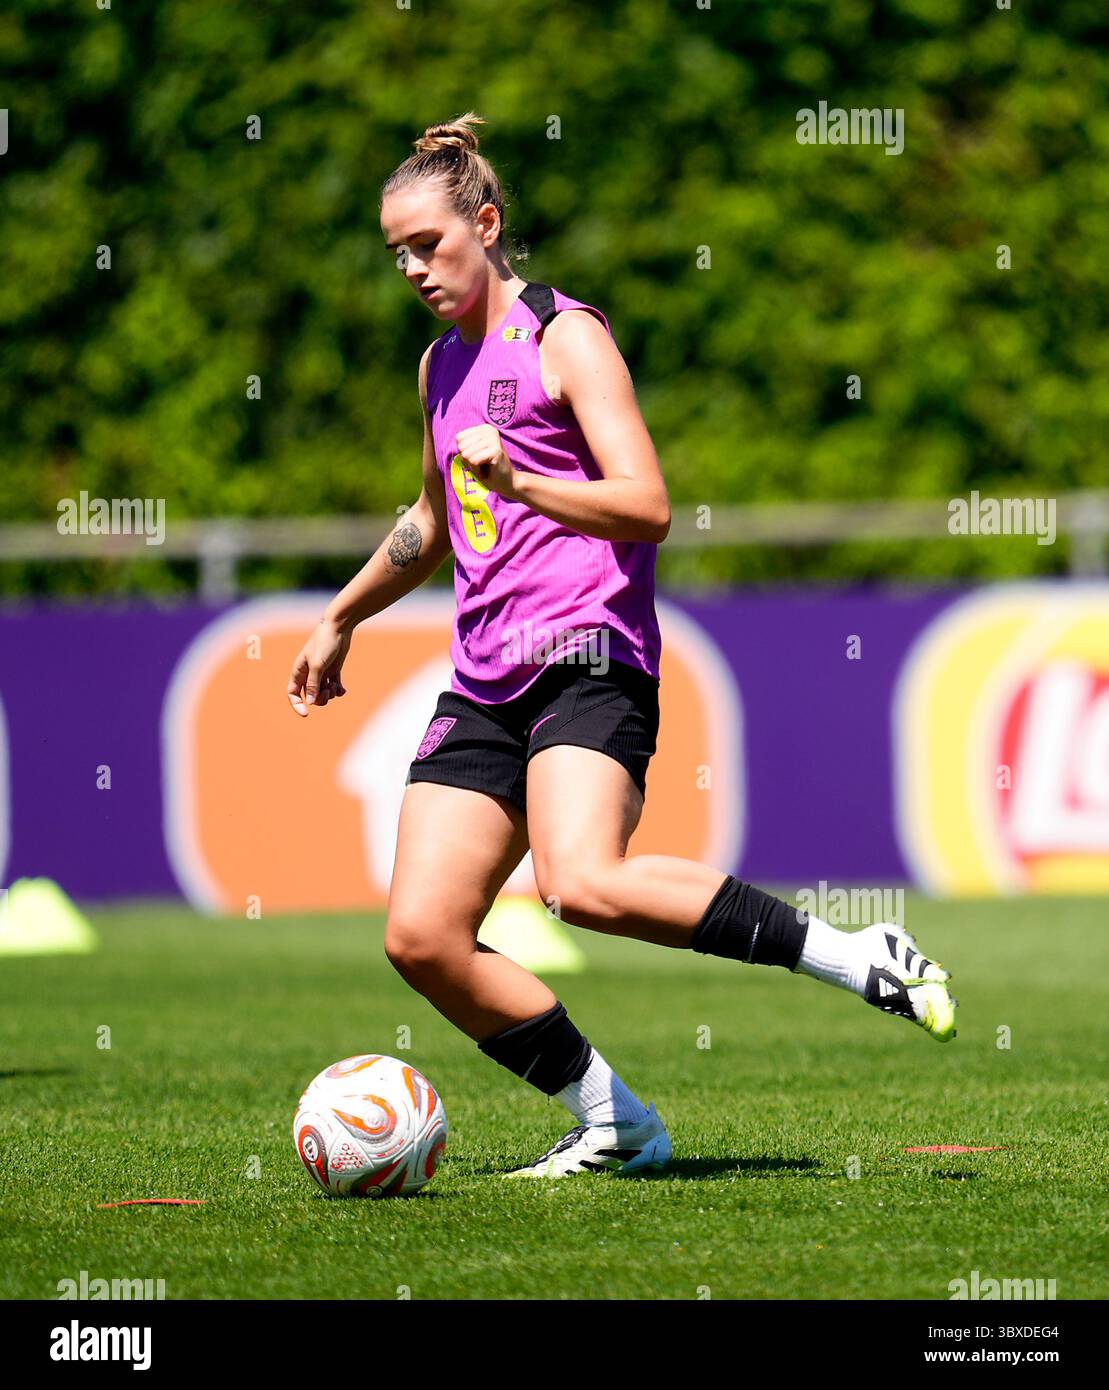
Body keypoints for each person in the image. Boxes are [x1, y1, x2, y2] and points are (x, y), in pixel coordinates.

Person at [286, 112, 956, 1179]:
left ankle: (852, 952)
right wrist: (340, 615)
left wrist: (524, 482)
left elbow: (646, 505)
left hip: (588, 656)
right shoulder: (437, 368)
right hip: (484, 679)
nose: (412, 268)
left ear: (487, 223)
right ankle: (615, 1121)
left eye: (429, 244)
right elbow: (427, 521)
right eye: (396, 254)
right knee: (419, 936)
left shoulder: (564, 335)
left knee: (582, 884)